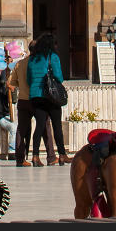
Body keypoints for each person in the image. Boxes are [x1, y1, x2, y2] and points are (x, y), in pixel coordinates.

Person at [26, 34, 68, 165]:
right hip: (50, 97)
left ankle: (35, 156)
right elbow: (59, 77)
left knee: (39, 126)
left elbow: (29, 79)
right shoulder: (53, 57)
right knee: (57, 126)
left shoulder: (32, 59)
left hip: (35, 96)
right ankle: (62, 154)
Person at [10, 49, 34, 165]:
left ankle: (20, 158)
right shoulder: (40, 62)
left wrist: (22, 85)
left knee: (21, 129)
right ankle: (43, 156)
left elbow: (11, 82)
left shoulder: (20, 63)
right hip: (37, 99)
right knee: (44, 127)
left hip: (23, 99)